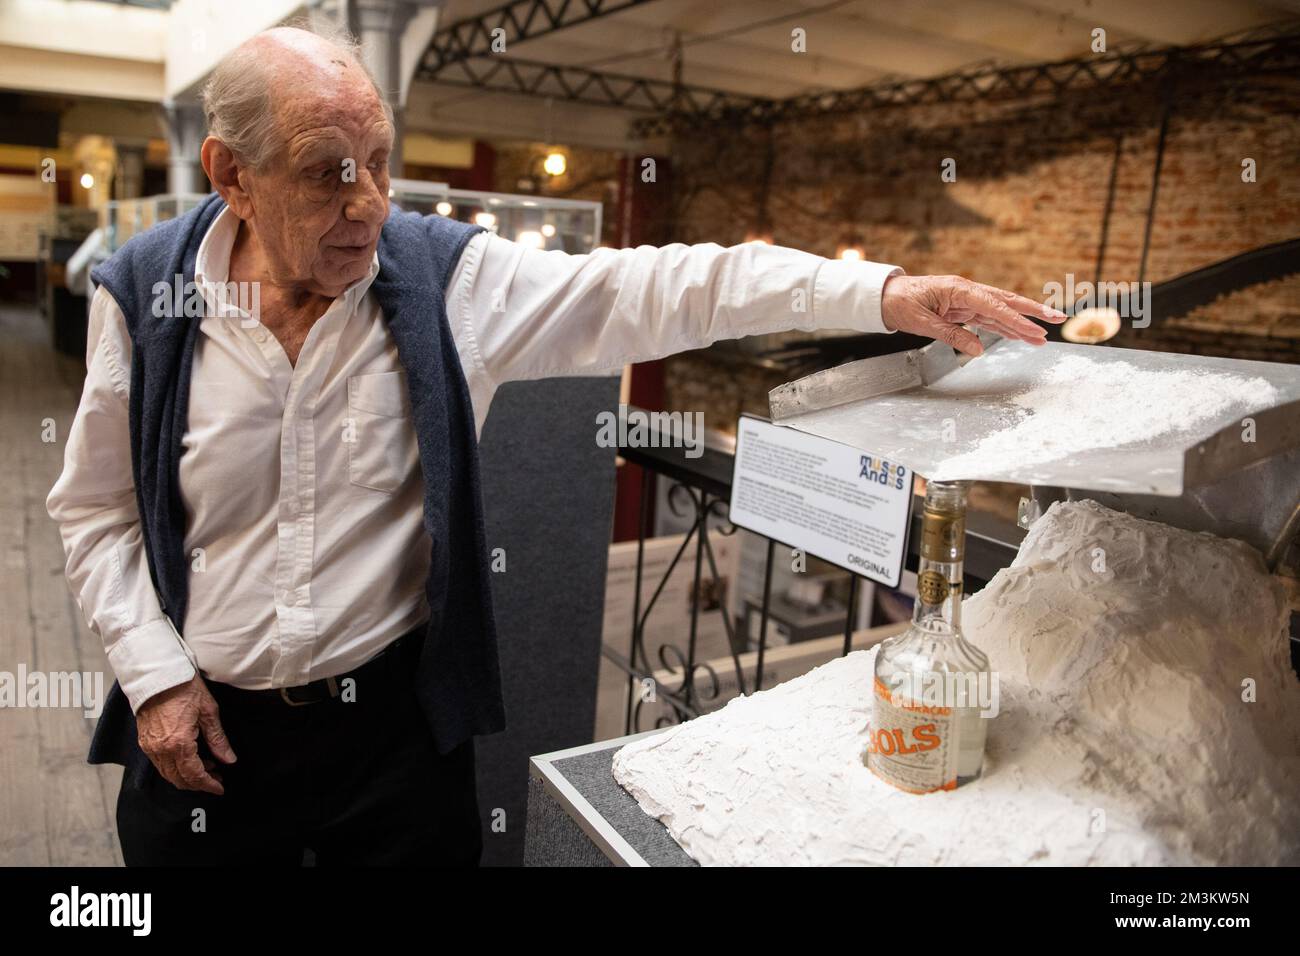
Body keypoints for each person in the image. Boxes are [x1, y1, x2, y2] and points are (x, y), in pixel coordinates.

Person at [46, 26, 1066, 866]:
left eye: (383, 164)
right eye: (328, 174)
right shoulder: (144, 298)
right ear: (232, 176)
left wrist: (882, 294)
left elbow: (664, 285)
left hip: (397, 738)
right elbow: (94, 508)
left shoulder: (445, 282)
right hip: (208, 738)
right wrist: (156, 676)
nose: (369, 204)